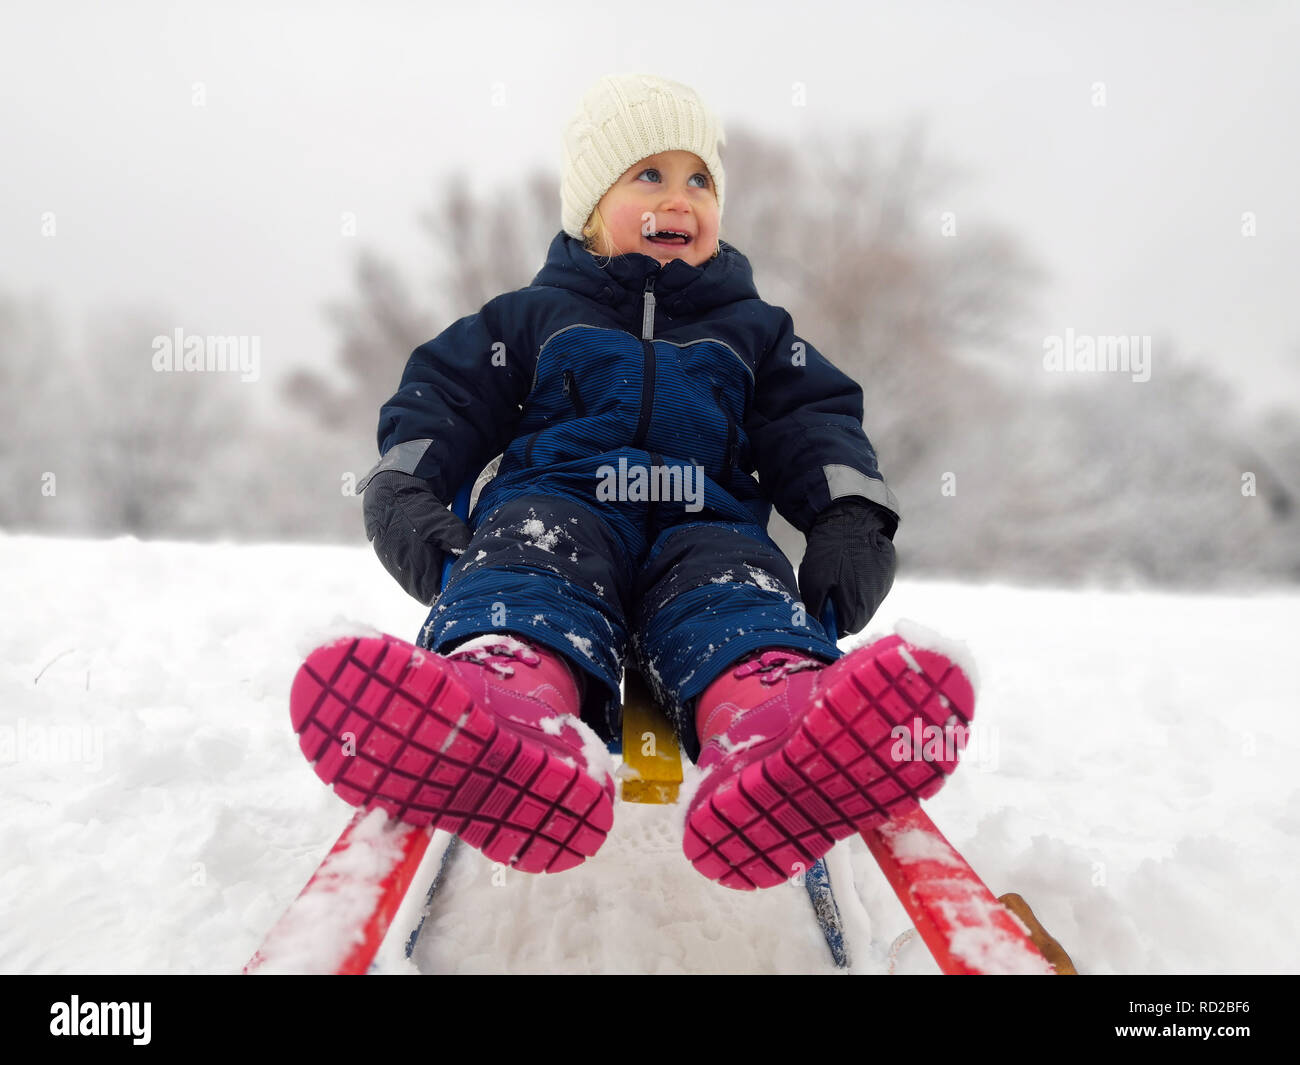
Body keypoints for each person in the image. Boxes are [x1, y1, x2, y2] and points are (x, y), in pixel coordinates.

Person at [289, 73, 974, 890]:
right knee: (529, 559)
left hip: (703, 520)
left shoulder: (755, 330)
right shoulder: (532, 316)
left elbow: (813, 420)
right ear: (588, 206)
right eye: (648, 174)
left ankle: (771, 723)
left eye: (700, 180)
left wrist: (849, 515)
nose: (678, 198)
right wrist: (405, 487)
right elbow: (447, 394)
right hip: (562, 504)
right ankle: (506, 699)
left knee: (736, 588)